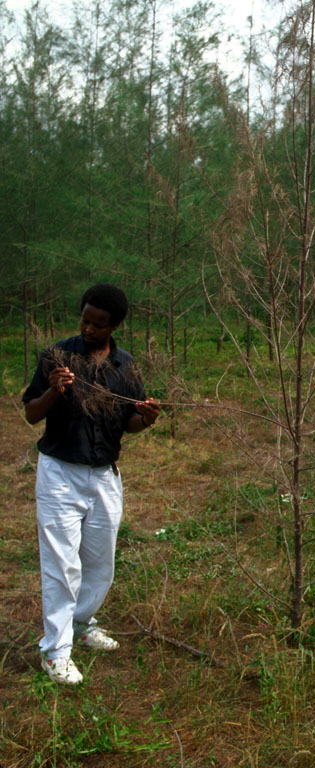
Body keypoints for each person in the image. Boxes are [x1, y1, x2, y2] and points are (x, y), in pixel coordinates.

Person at [23, 284, 160, 684]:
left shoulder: (125, 366)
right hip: (60, 474)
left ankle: (81, 624)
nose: (88, 329)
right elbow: (32, 413)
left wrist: (147, 418)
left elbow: (129, 423)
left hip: (104, 476)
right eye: (85, 320)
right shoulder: (57, 356)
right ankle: (55, 651)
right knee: (61, 565)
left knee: (100, 564)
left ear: (114, 326)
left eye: (98, 325)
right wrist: (54, 389)